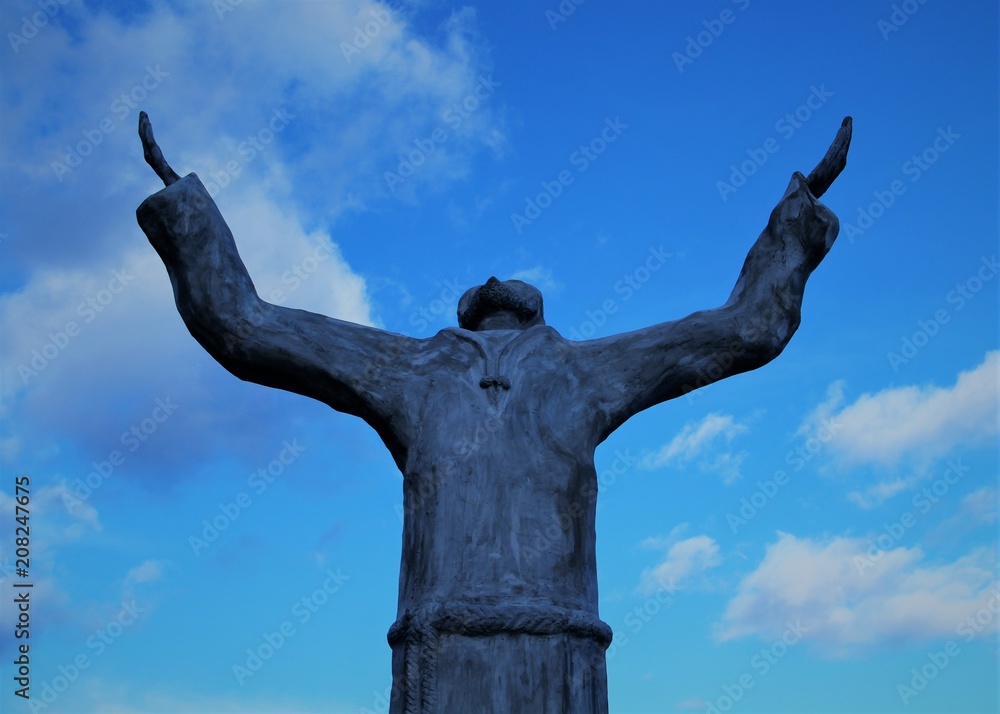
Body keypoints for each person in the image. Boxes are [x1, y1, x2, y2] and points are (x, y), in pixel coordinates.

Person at [136, 112, 851, 713]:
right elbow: (245, 328)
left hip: (551, 661)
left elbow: (243, 326)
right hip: (459, 661)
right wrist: (182, 201)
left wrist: (801, 209)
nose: (493, 282)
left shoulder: (571, 370)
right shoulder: (418, 369)